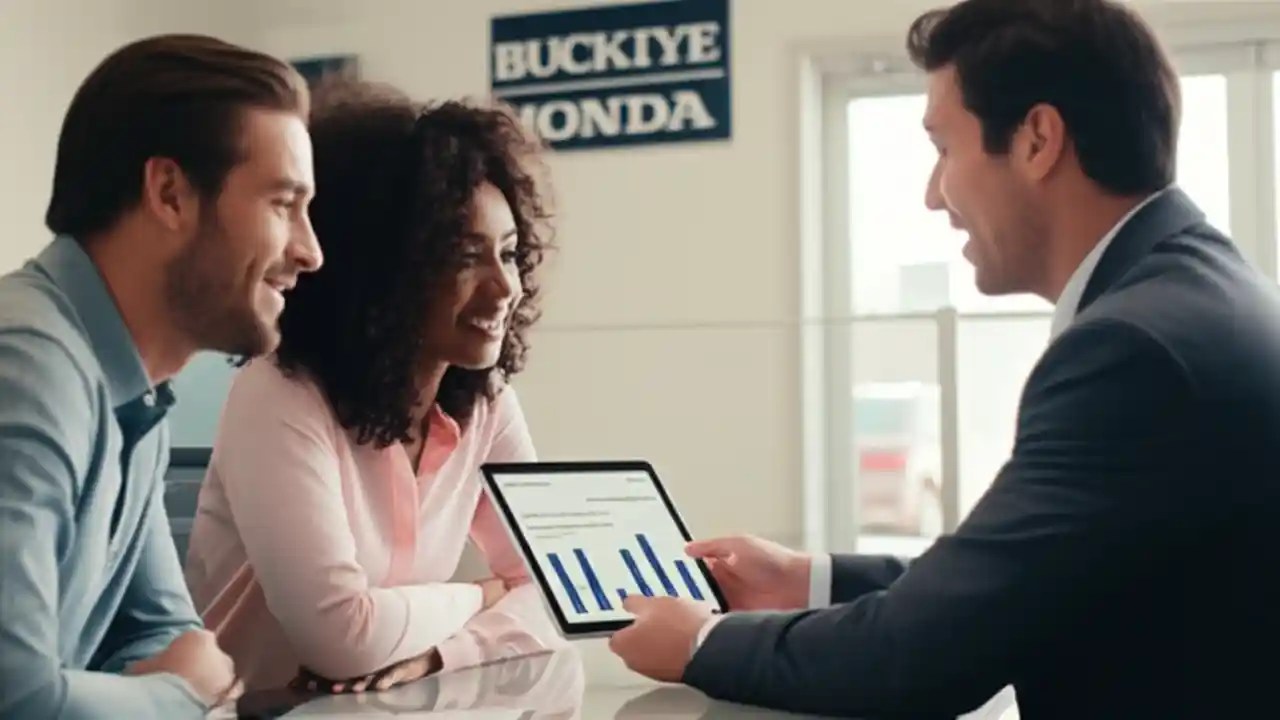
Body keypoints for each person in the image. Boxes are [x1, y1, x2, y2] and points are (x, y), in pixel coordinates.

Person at [609, 0, 1280, 717]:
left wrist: (703, 642)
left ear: (1037, 140)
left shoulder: (1130, 349)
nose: (934, 196)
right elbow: (1015, 575)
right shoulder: (1201, 293)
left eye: (942, 149)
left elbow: (918, 658)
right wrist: (807, 579)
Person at [184, 78, 562, 694]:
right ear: (383, 268)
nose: (504, 288)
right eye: (466, 257)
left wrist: (443, 654)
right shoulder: (279, 394)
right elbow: (341, 640)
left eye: (511, 254)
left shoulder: (488, 404)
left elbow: (555, 588)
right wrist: (484, 593)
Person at [0, 34, 322, 719]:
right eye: (282, 204)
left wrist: (168, 681)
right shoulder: (28, 369)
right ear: (170, 194)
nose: (309, 250)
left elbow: (166, 636)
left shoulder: (133, 388)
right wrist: (176, 694)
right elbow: (16, 694)